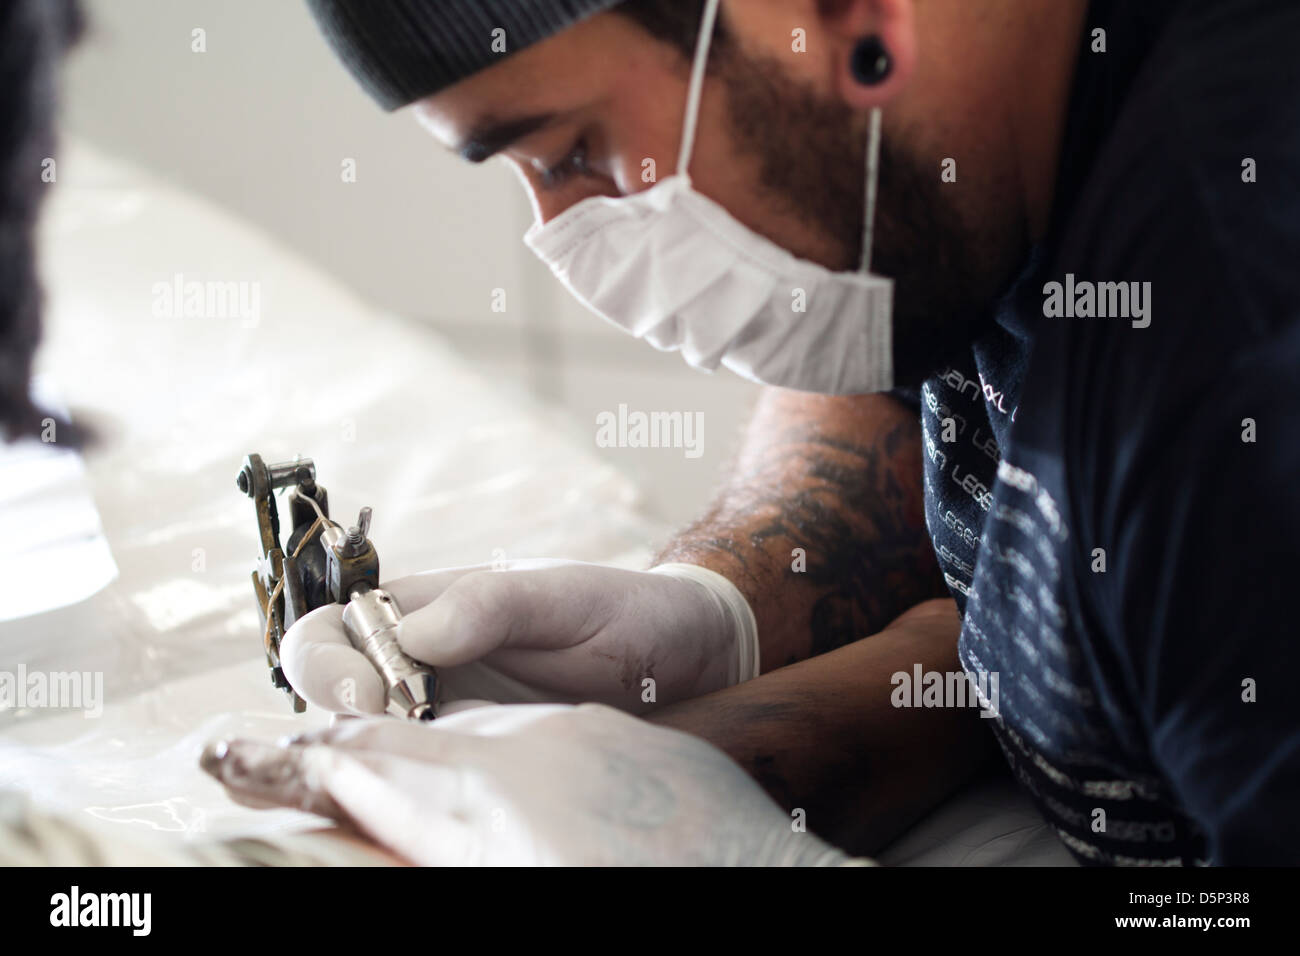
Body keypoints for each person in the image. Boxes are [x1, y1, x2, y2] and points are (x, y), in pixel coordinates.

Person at [179, 0, 1300, 865]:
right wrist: (718, 625)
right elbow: (901, 343)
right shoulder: (958, 173)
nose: (569, 240)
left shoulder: (1233, 328)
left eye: (576, 152)